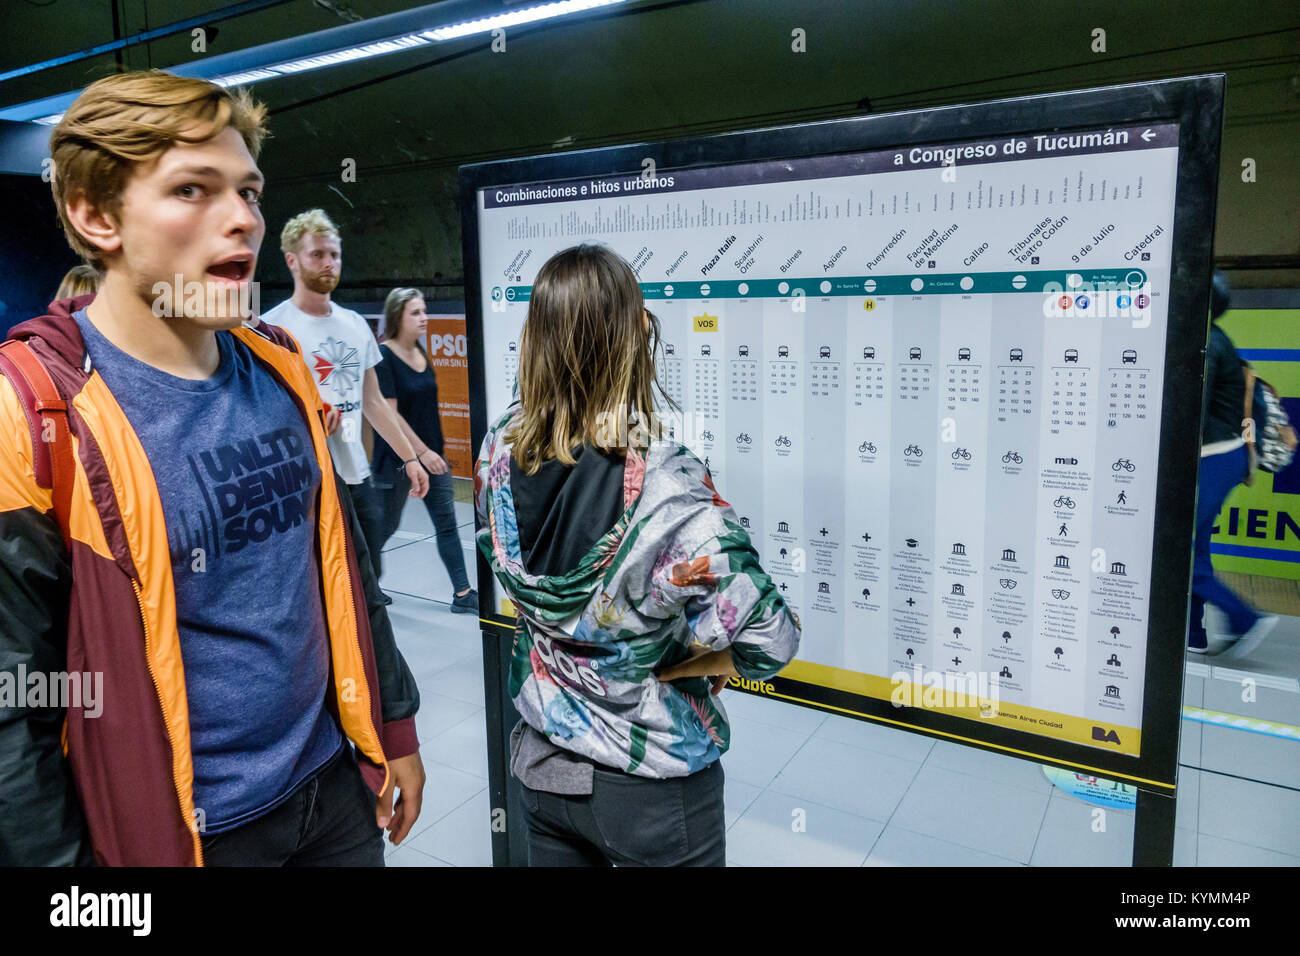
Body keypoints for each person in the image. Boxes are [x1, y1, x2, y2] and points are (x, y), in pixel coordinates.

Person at [0, 69, 425, 865]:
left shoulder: (281, 367)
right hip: (189, 833)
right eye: (194, 190)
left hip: (332, 791)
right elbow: (14, 698)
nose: (243, 221)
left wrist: (391, 724)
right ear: (95, 216)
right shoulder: (32, 415)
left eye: (250, 192)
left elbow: (342, 567)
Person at [475, 243, 801, 866]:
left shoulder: (497, 449)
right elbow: (771, 641)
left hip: (541, 762)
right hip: (650, 782)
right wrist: (690, 661)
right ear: (634, 340)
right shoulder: (669, 488)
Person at [261, 209, 430, 597]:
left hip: (356, 477)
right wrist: (306, 419)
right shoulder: (272, 331)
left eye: (334, 255)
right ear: (292, 260)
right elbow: (262, 414)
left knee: (368, 586)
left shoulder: (355, 325)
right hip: (305, 487)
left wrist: (410, 458)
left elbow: (374, 402)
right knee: (320, 593)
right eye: (317, 254)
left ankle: (368, 656)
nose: (328, 263)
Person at [371, 288, 477, 613]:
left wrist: (434, 454)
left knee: (446, 523)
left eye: (425, 311)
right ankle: (362, 584)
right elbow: (390, 415)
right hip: (397, 460)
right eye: (415, 312)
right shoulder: (383, 357)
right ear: (397, 316)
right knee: (385, 526)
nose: (424, 318)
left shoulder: (420, 353)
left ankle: (462, 594)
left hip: (434, 457)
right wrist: (420, 453)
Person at [1188, 271, 1277, 657]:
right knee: (1194, 548)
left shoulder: (1206, 342)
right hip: (1222, 457)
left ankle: (1245, 618)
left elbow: (1194, 411)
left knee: (1180, 550)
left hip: (1215, 457)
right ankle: (1192, 635)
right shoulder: (1214, 338)